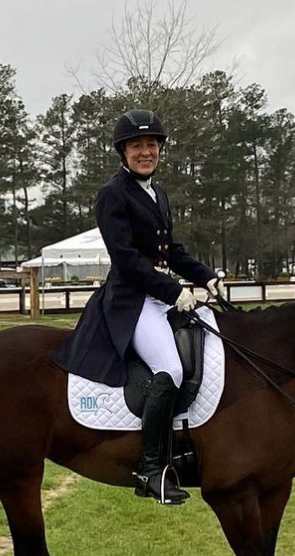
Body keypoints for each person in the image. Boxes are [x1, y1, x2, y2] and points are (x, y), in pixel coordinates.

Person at [53, 109, 224, 505]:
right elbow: (128, 259)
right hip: (132, 301)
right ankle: (151, 469)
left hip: (158, 294)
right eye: (137, 146)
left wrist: (205, 276)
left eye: (151, 145)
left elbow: (170, 251)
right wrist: (173, 292)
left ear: (159, 149)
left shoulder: (157, 192)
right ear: (124, 152)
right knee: (172, 368)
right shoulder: (113, 194)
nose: (145, 152)